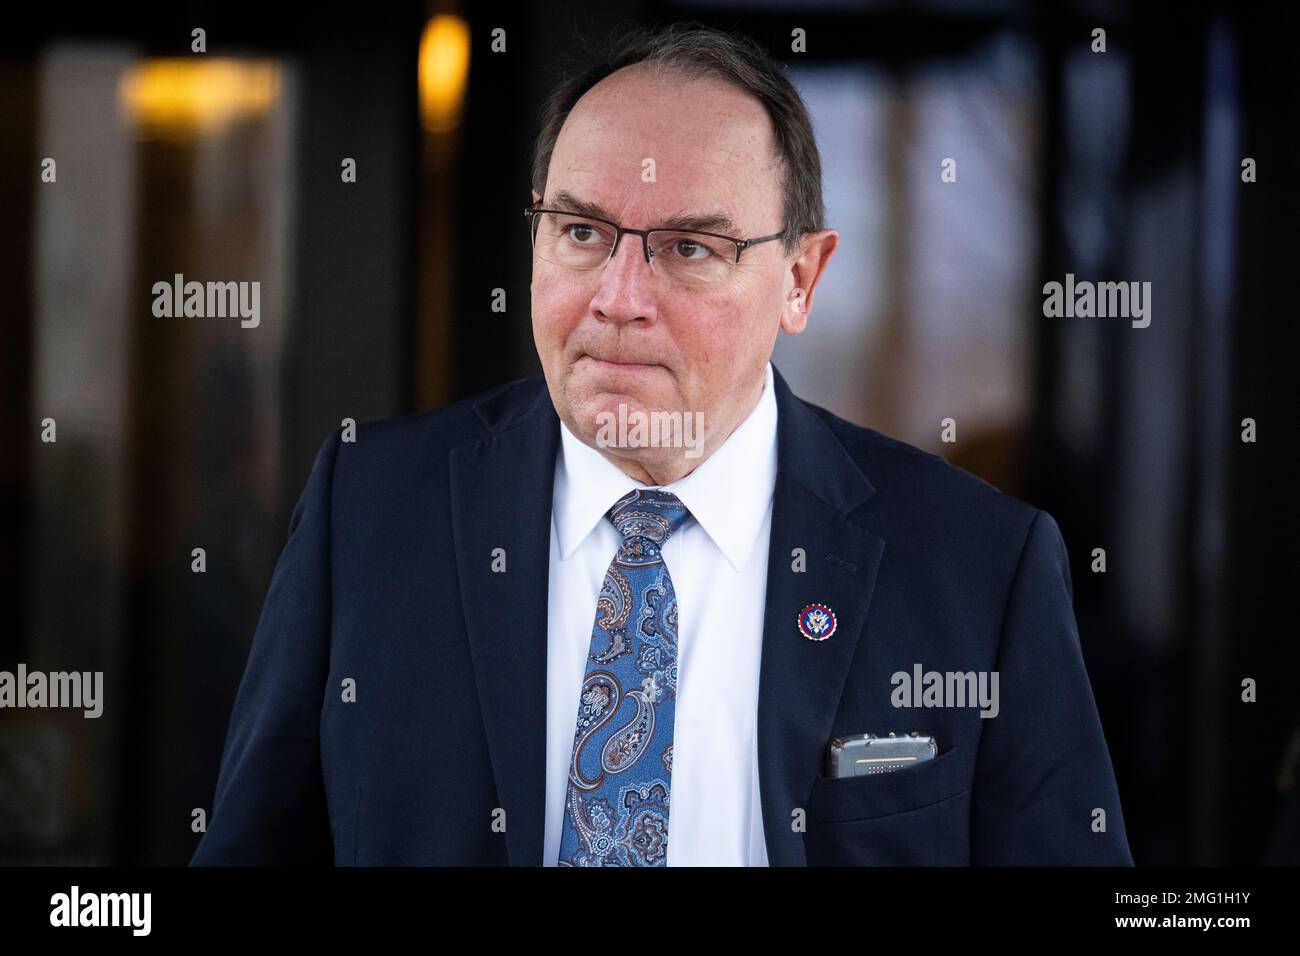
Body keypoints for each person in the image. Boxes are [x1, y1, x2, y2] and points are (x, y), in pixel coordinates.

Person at [192, 21, 1132, 866]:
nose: (619, 297)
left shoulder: (976, 568)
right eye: (582, 231)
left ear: (800, 279)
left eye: (689, 247)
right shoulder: (368, 514)